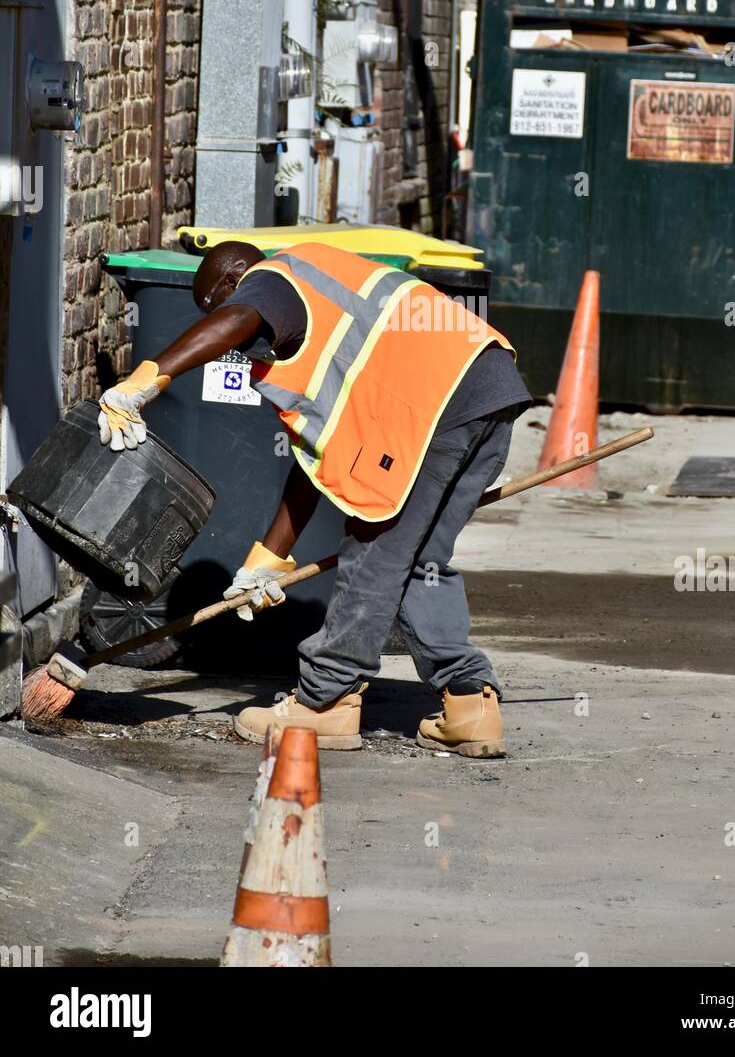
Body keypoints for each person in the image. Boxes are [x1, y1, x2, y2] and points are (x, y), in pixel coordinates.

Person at [96, 239, 531, 756]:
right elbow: (316, 463)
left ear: (235, 278)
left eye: (214, 304)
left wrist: (146, 380)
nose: (236, 344)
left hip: (433, 402)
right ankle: (470, 705)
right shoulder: (314, 323)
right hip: (486, 388)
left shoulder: (278, 276)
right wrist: (268, 559)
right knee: (421, 560)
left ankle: (326, 701)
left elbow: (236, 317)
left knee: (374, 553)